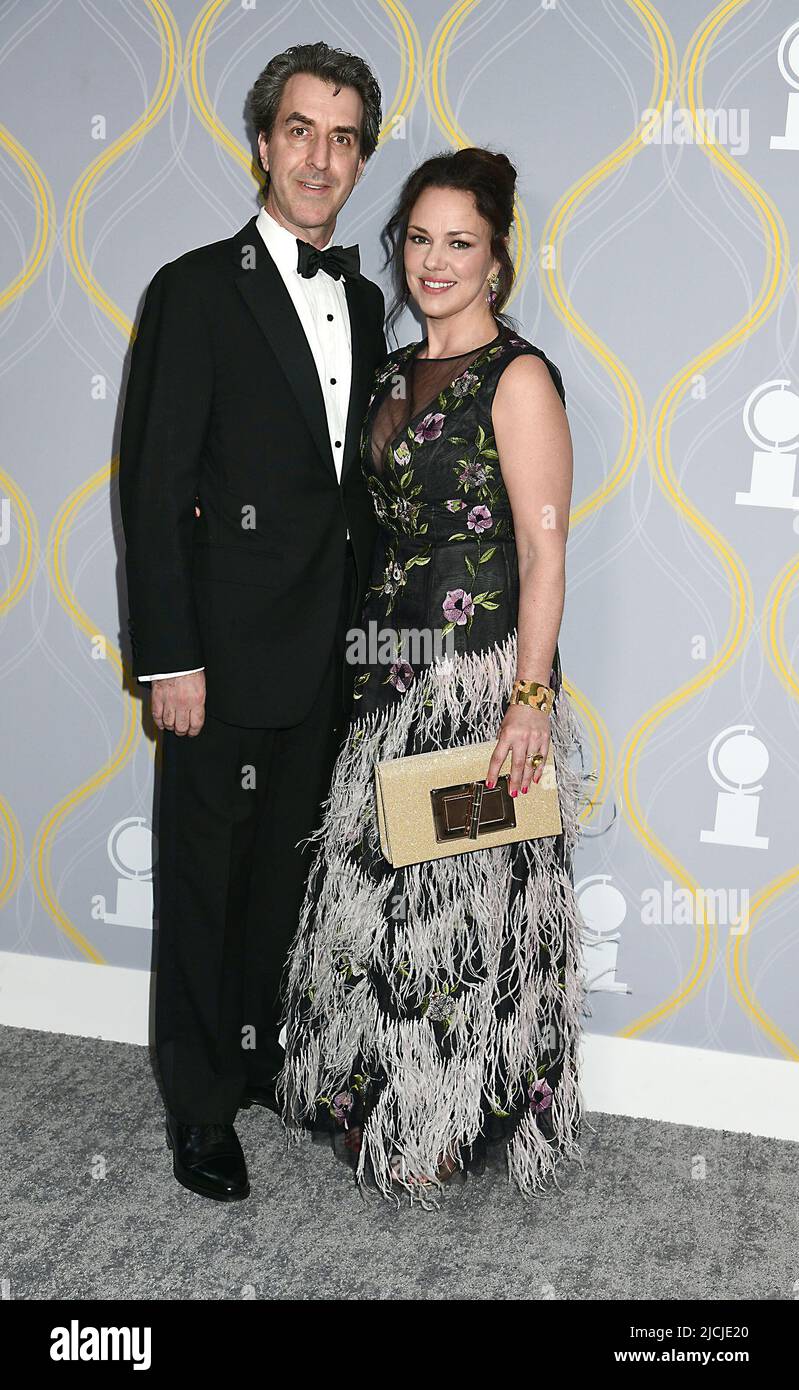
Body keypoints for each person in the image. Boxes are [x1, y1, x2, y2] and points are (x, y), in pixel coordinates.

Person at [277, 146, 593, 1207]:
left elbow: (544, 548)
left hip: (474, 678)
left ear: (497, 260)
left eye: (459, 242)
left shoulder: (519, 377)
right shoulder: (387, 372)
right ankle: (379, 1102)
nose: (433, 260)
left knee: (457, 913)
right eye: (418, 237)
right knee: (378, 901)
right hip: (384, 676)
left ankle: (443, 1121)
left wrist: (529, 701)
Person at [118, 42, 386, 1201]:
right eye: (299, 130)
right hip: (216, 663)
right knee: (203, 883)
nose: (319, 156)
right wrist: (170, 657)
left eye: (342, 137)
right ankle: (198, 1107)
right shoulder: (194, 286)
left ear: (361, 156)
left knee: (287, 882)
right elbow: (153, 482)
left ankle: (266, 1059)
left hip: (328, 656)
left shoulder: (369, 300)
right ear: (262, 142)